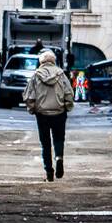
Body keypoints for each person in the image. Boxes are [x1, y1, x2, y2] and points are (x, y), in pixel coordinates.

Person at [22, 48, 75, 181]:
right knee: (58, 139)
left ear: (41, 62)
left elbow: (29, 96)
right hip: (59, 112)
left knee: (45, 143)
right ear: (53, 61)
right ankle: (59, 158)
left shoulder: (36, 75)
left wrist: (32, 109)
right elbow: (69, 93)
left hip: (42, 114)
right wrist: (67, 106)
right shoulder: (61, 74)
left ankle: (49, 172)